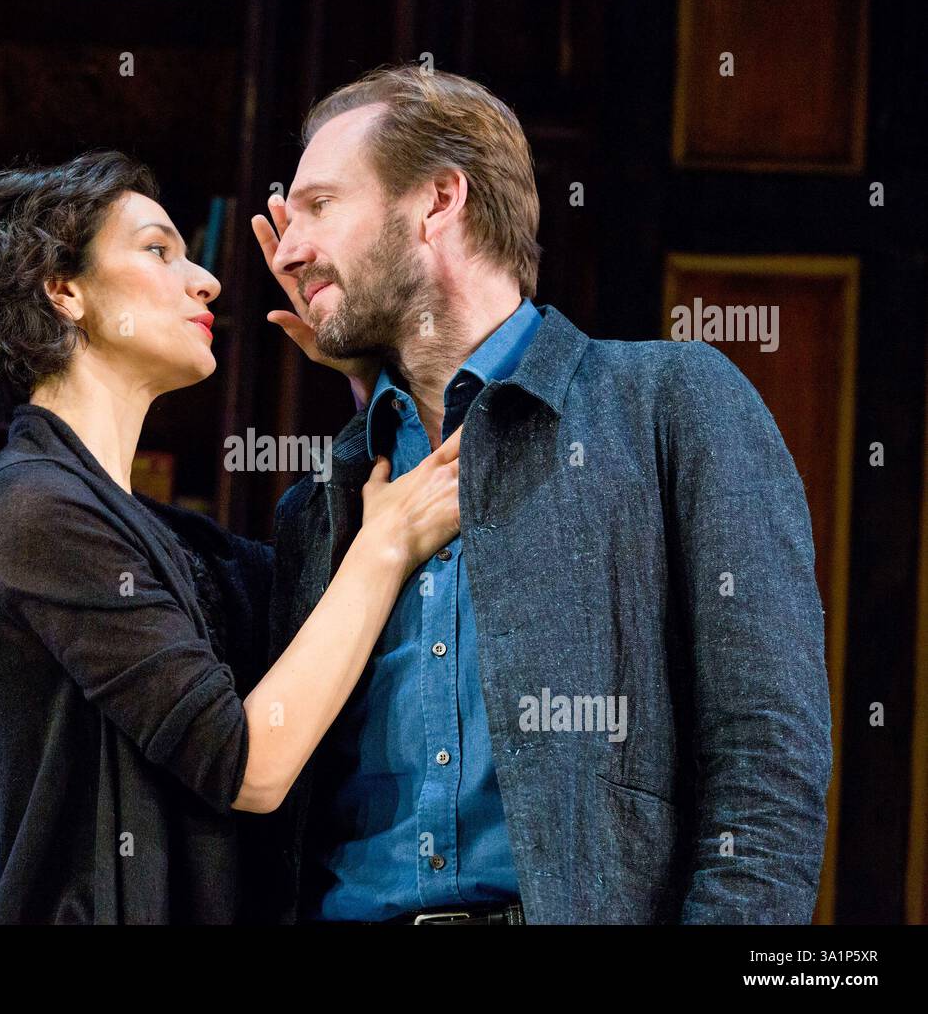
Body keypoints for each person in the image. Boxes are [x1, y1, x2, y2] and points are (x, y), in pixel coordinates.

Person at [253, 64, 832, 925]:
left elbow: (767, 762)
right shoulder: (324, 502)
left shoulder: (670, 404)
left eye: (319, 206)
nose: (289, 251)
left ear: (440, 201)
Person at [0, 151, 462, 923]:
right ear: (64, 290)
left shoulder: (165, 538)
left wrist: (371, 381)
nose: (205, 279)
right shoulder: (27, 512)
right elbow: (251, 764)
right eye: (157, 250)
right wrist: (387, 547)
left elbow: (317, 602)